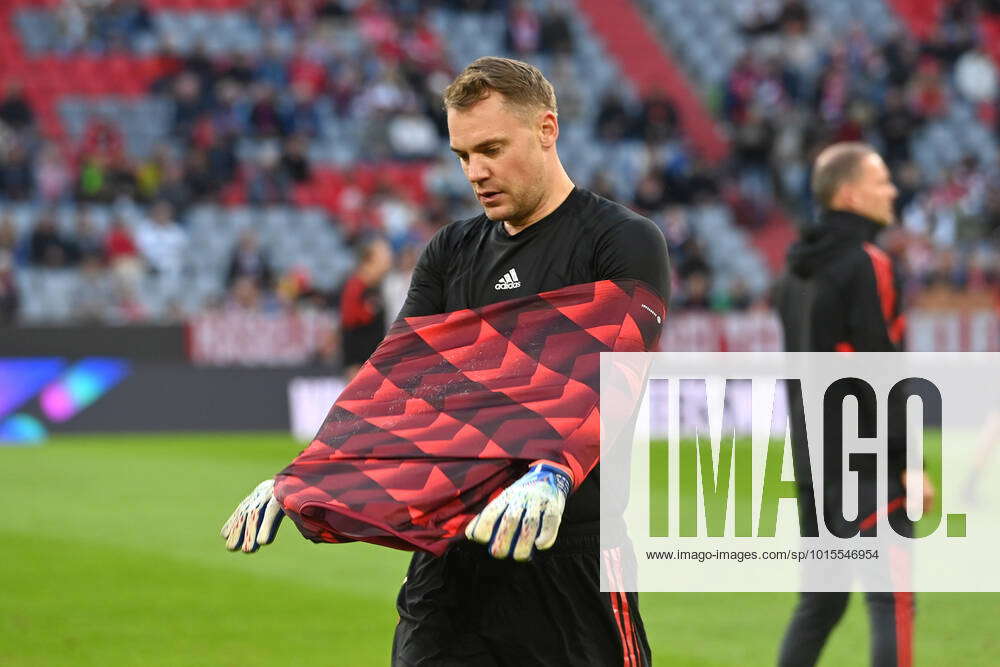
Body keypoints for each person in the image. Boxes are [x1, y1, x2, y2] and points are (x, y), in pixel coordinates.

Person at [222, 57, 670, 666]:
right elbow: (396, 384)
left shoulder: (618, 240)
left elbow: (615, 369)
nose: (475, 172)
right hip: (450, 559)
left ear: (546, 130)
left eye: (491, 148)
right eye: (463, 155)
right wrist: (306, 475)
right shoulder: (451, 251)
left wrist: (554, 468)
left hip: (573, 554)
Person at [772, 142, 935, 667]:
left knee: (820, 606)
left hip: (813, 464)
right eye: (881, 180)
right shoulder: (869, 264)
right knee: (893, 602)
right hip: (867, 466)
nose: (893, 190)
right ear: (849, 193)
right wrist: (907, 463)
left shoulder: (792, 274)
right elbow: (880, 371)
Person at [339, 235, 392, 379]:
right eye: (384, 254)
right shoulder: (356, 287)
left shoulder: (377, 286)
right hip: (361, 368)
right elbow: (350, 323)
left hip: (376, 364)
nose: (389, 259)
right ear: (371, 259)